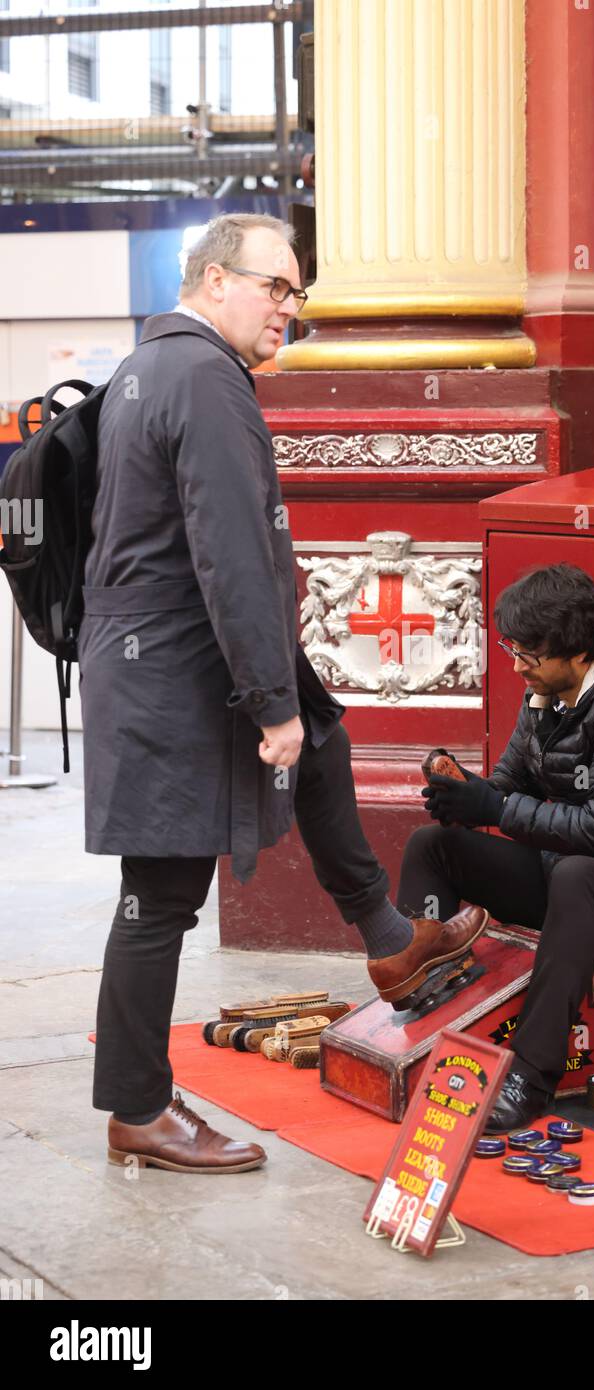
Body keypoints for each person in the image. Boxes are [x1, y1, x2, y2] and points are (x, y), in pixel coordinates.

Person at [80, 213, 485, 1175]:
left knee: (327, 737)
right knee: (161, 894)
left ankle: (389, 939)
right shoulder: (205, 380)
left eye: (298, 293)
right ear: (217, 279)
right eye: (278, 288)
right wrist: (269, 703)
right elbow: (233, 557)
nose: (290, 310)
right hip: (176, 672)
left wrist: (290, 701)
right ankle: (138, 1108)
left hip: (159, 662)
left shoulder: (150, 365)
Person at [400, 563, 594, 1133]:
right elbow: (509, 786)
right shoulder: (545, 693)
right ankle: (417, 1002)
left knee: (576, 874)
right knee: (433, 845)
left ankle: (531, 1077)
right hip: (573, 877)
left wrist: (493, 810)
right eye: (510, 649)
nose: (517, 666)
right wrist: (467, 793)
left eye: (529, 654)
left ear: (576, 652)